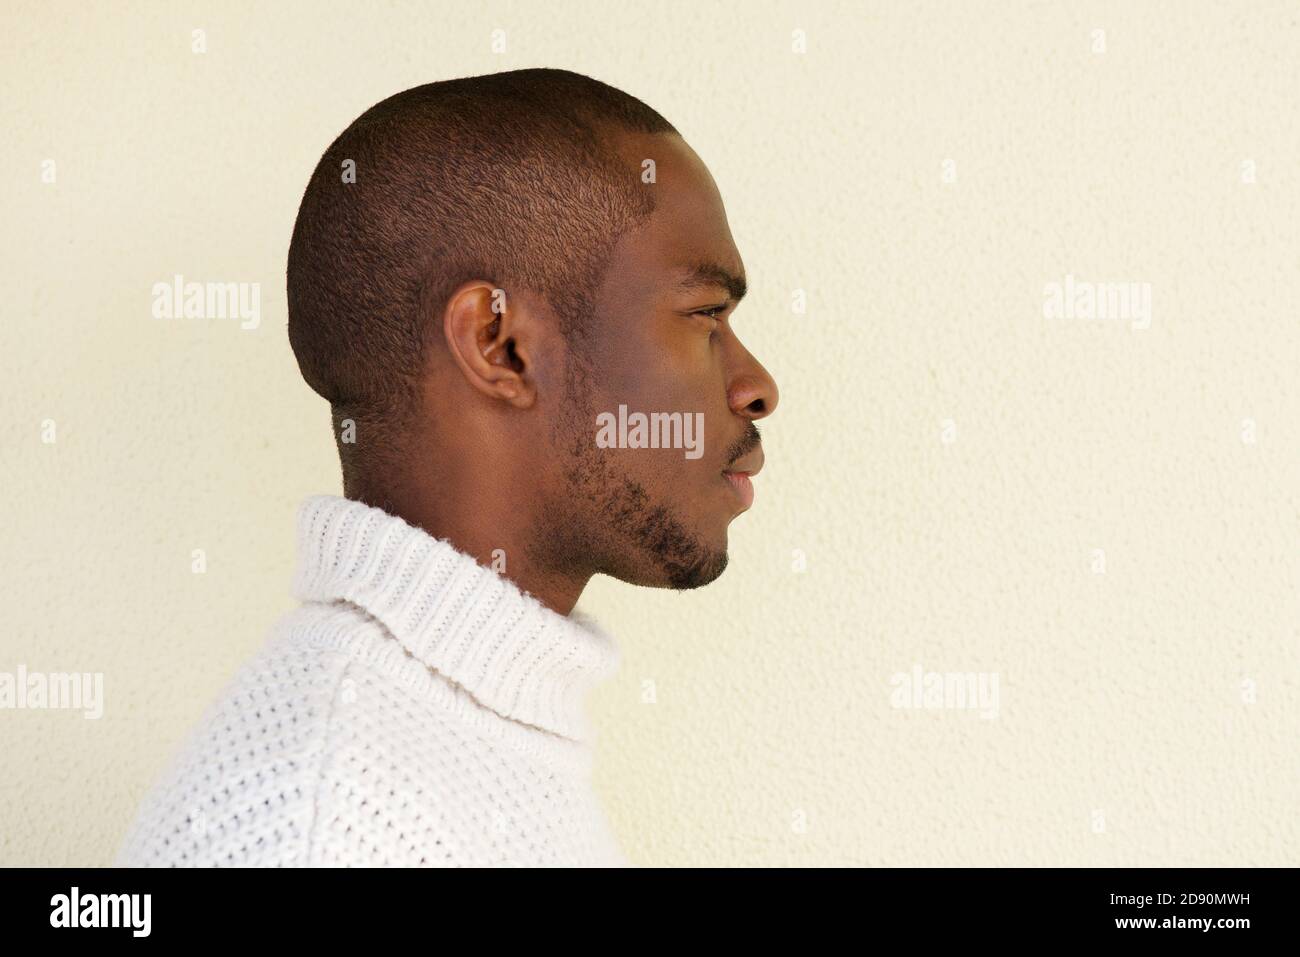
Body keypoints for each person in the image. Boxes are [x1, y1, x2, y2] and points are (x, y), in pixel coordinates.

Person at [115, 67, 778, 867]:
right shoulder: (321, 823)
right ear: (500, 344)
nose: (756, 386)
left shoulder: (470, 742)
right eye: (706, 314)